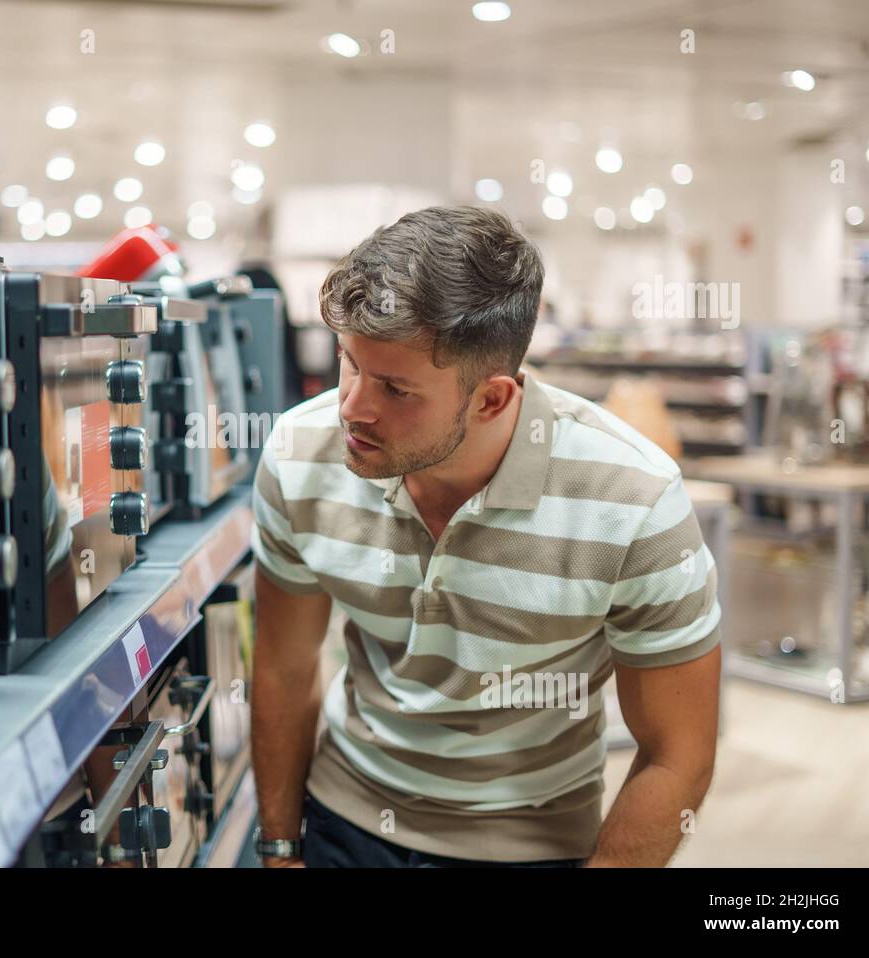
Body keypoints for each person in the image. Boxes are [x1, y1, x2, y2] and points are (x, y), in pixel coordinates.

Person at [250, 206, 721, 868]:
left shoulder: (632, 501)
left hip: (530, 846)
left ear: (492, 401)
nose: (352, 406)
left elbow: (679, 754)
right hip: (344, 822)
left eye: (394, 388)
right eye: (349, 364)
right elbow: (282, 666)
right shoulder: (299, 455)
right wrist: (277, 846)